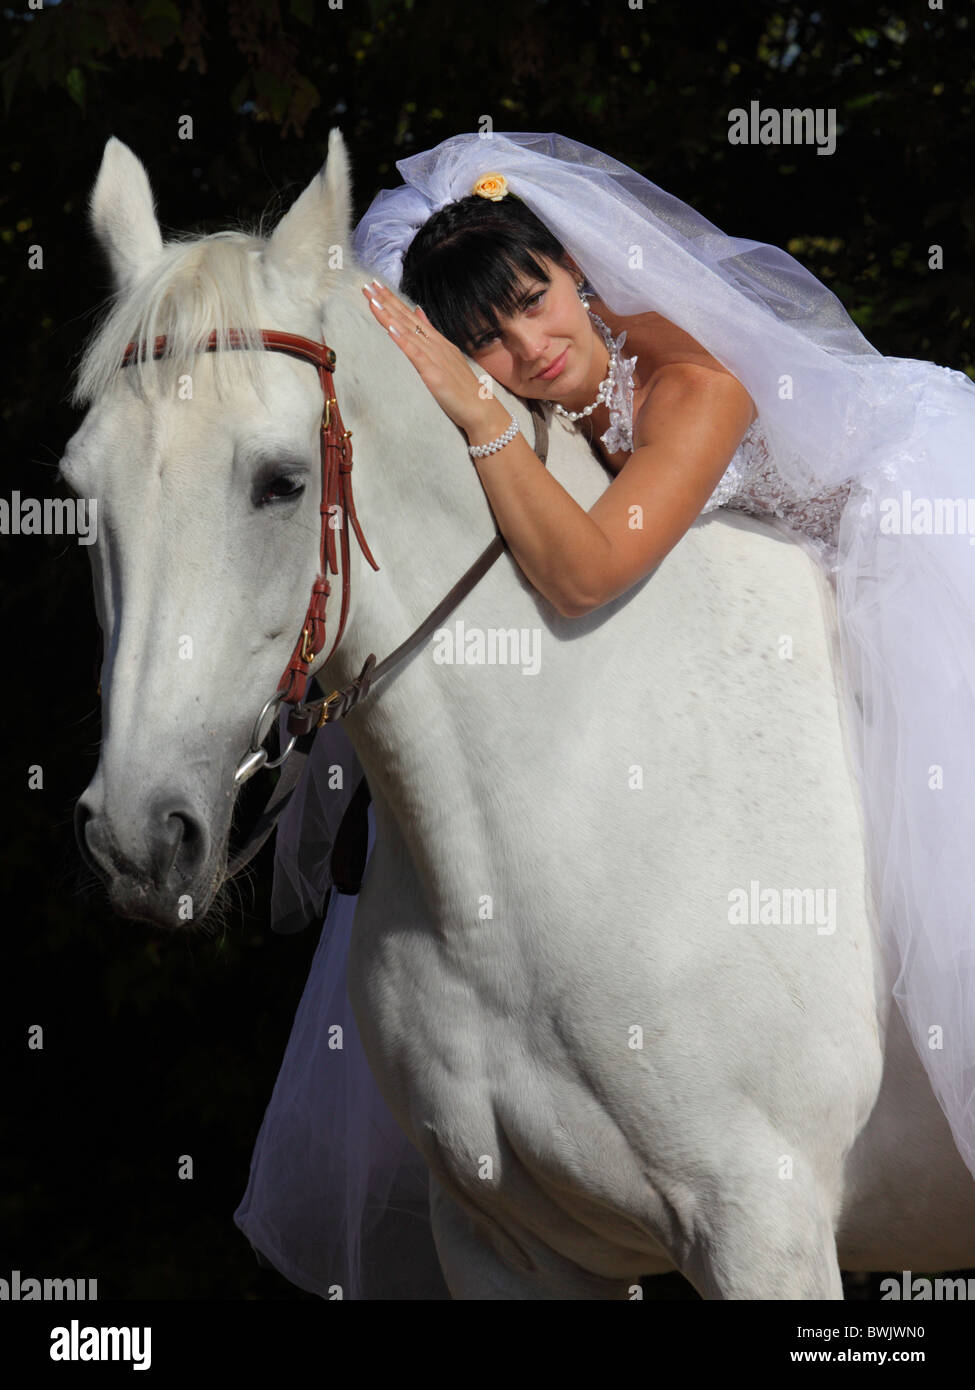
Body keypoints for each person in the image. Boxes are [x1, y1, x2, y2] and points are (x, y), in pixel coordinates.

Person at [235, 131, 975, 1300]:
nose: (529, 347)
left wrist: (465, 401)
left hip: (902, 546)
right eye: (488, 337)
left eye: (536, 300)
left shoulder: (698, 380)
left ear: (582, 277)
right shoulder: (554, 409)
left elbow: (582, 572)